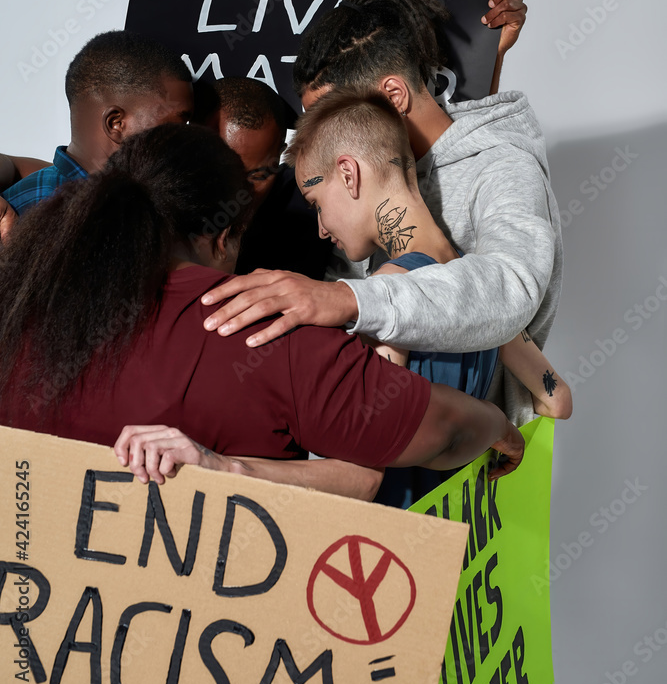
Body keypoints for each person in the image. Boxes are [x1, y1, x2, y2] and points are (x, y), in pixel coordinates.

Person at [0, 123, 524, 497]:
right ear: (224, 236)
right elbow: (449, 431)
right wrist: (500, 424)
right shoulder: (264, 331)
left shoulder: (20, 305)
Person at [198, 0, 561, 427]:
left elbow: (511, 288)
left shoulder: (500, 167)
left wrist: (350, 301)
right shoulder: (366, 181)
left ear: (393, 96)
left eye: (335, 114)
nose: (328, 136)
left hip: (472, 477)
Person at [286, 86, 571, 506]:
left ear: (349, 174)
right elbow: (557, 399)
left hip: (397, 541)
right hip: (463, 531)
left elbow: (360, 466)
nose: (321, 229)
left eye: (315, 203)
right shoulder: (476, 294)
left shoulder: (385, 300)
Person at [1, 30, 194, 217]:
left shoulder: (124, 203)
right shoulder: (41, 215)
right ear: (116, 124)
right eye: (177, 125)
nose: (188, 140)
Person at [205, 77, 329, 278]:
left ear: (281, 154)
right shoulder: (164, 204)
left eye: (258, 176)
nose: (240, 192)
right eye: (224, 172)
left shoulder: (308, 209)